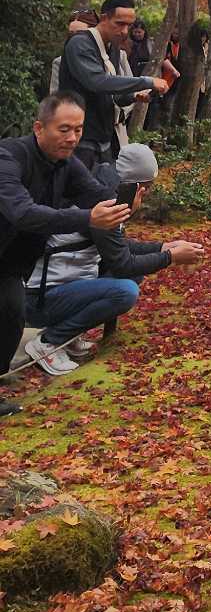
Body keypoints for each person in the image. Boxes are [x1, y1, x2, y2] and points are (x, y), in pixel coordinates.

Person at [22, 140, 204, 374]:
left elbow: (116, 248)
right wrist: (171, 257)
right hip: (39, 299)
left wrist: (162, 247)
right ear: (137, 185)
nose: (146, 193)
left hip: (61, 288)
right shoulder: (104, 205)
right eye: (146, 187)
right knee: (125, 291)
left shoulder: (101, 190)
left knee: (134, 276)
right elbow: (122, 263)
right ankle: (49, 343)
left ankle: (68, 333)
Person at [0, 93, 134, 399]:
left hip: (10, 265)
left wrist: (123, 203)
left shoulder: (66, 163)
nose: (72, 138)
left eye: (78, 130)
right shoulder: (8, 158)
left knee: (10, 315)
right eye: (64, 129)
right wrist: (90, 218)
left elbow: (94, 193)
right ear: (38, 128)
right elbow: (24, 214)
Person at [57, 0, 170, 162]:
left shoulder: (113, 49)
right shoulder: (80, 44)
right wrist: (146, 81)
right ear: (104, 18)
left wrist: (132, 96)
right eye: (119, 24)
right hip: (78, 139)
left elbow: (113, 94)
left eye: (129, 25)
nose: (125, 31)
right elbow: (97, 82)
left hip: (105, 137)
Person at [47, 6, 98, 96]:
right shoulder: (59, 62)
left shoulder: (116, 56)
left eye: (81, 33)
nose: (75, 38)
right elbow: (55, 95)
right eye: (71, 34)